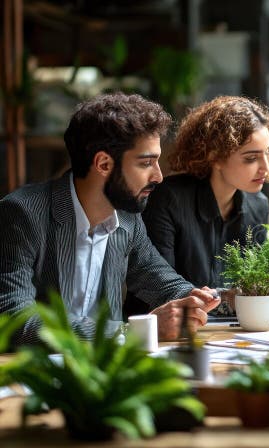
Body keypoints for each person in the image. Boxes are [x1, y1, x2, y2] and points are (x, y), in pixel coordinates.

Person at [0, 93, 220, 345]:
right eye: (146, 163)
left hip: (108, 374)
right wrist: (130, 332)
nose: (159, 176)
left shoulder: (126, 219)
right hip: (35, 376)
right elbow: (16, 319)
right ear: (104, 163)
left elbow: (162, 282)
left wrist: (195, 300)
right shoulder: (22, 214)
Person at [131, 96, 269, 317]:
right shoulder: (168, 198)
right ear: (215, 156)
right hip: (167, 333)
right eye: (251, 158)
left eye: (266, 153)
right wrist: (229, 298)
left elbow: (253, 290)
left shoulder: (258, 204)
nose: (265, 167)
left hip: (229, 335)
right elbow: (158, 289)